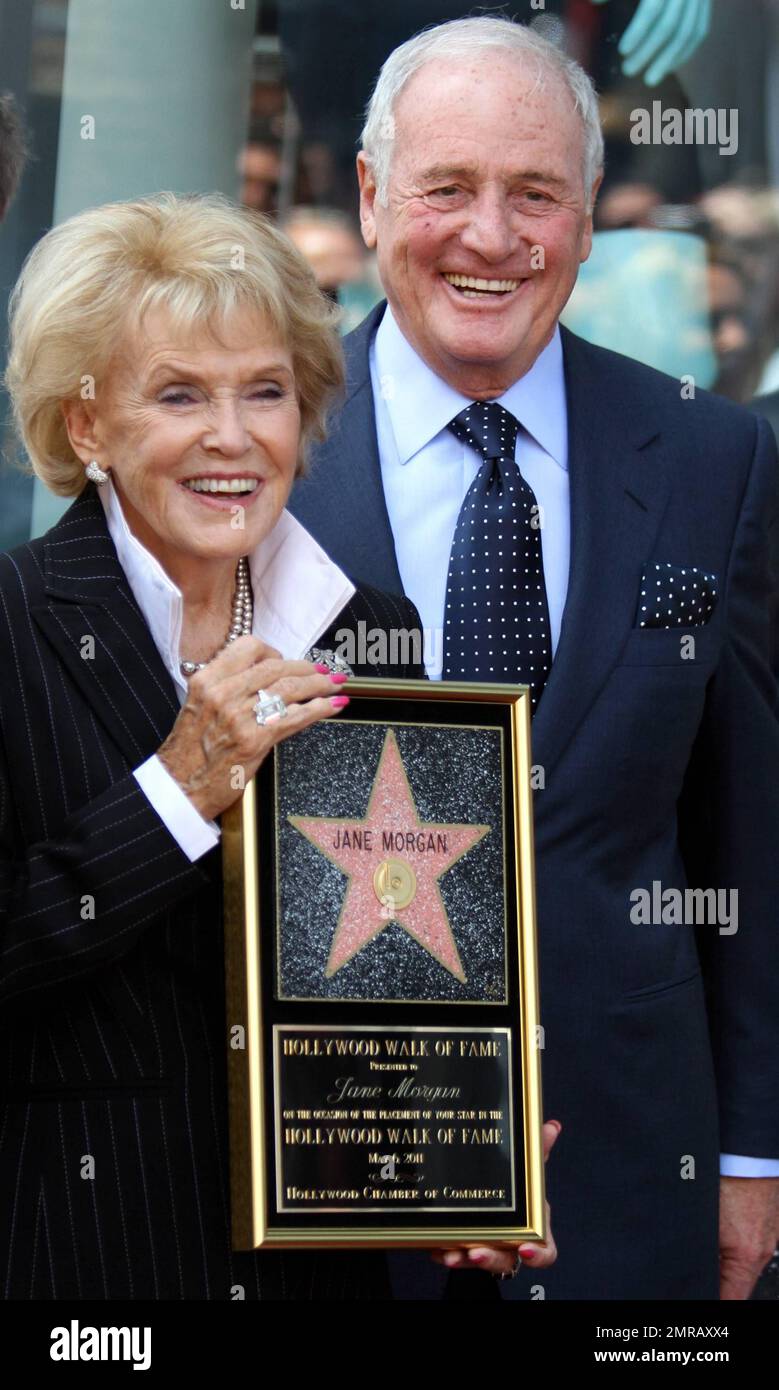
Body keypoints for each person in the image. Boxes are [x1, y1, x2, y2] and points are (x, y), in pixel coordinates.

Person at [289, 16, 779, 1300]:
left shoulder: (711, 458)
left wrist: (749, 1151)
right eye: (446, 188)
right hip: (335, 1179)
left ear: (591, 210)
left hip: (634, 1165)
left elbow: (749, 833)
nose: (491, 237)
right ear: (370, 194)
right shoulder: (261, 468)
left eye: (536, 194)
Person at [0, 191, 434, 1300]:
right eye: (179, 393)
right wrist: (177, 791)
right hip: (86, 1261)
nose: (232, 438)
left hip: (321, 1273)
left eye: (266, 392)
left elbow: (403, 968)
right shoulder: (11, 623)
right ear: (87, 424)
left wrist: (460, 1158)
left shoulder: (373, 631)